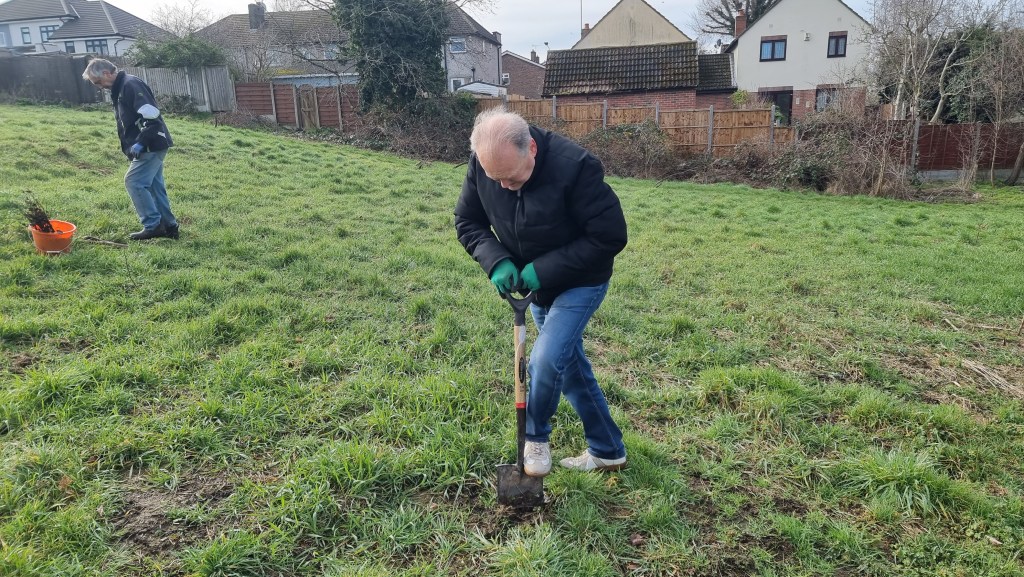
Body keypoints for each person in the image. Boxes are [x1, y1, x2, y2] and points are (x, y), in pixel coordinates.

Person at [455, 108, 628, 477]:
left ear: (531, 148)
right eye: (494, 178)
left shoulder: (576, 167)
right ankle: (608, 449)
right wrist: (497, 260)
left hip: (580, 281)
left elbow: (609, 236)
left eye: (512, 180)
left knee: (545, 360)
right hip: (531, 287)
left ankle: (535, 438)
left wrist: (543, 269)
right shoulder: (485, 163)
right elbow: (467, 220)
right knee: (570, 368)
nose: (502, 186)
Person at [82, 58, 179, 241]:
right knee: (153, 186)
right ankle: (169, 226)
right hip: (152, 144)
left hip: (150, 144)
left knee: (134, 182)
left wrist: (141, 142)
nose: (99, 87)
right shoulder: (121, 87)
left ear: (106, 73)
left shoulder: (130, 85)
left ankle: (153, 225)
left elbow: (152, 117)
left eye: (98, 82)